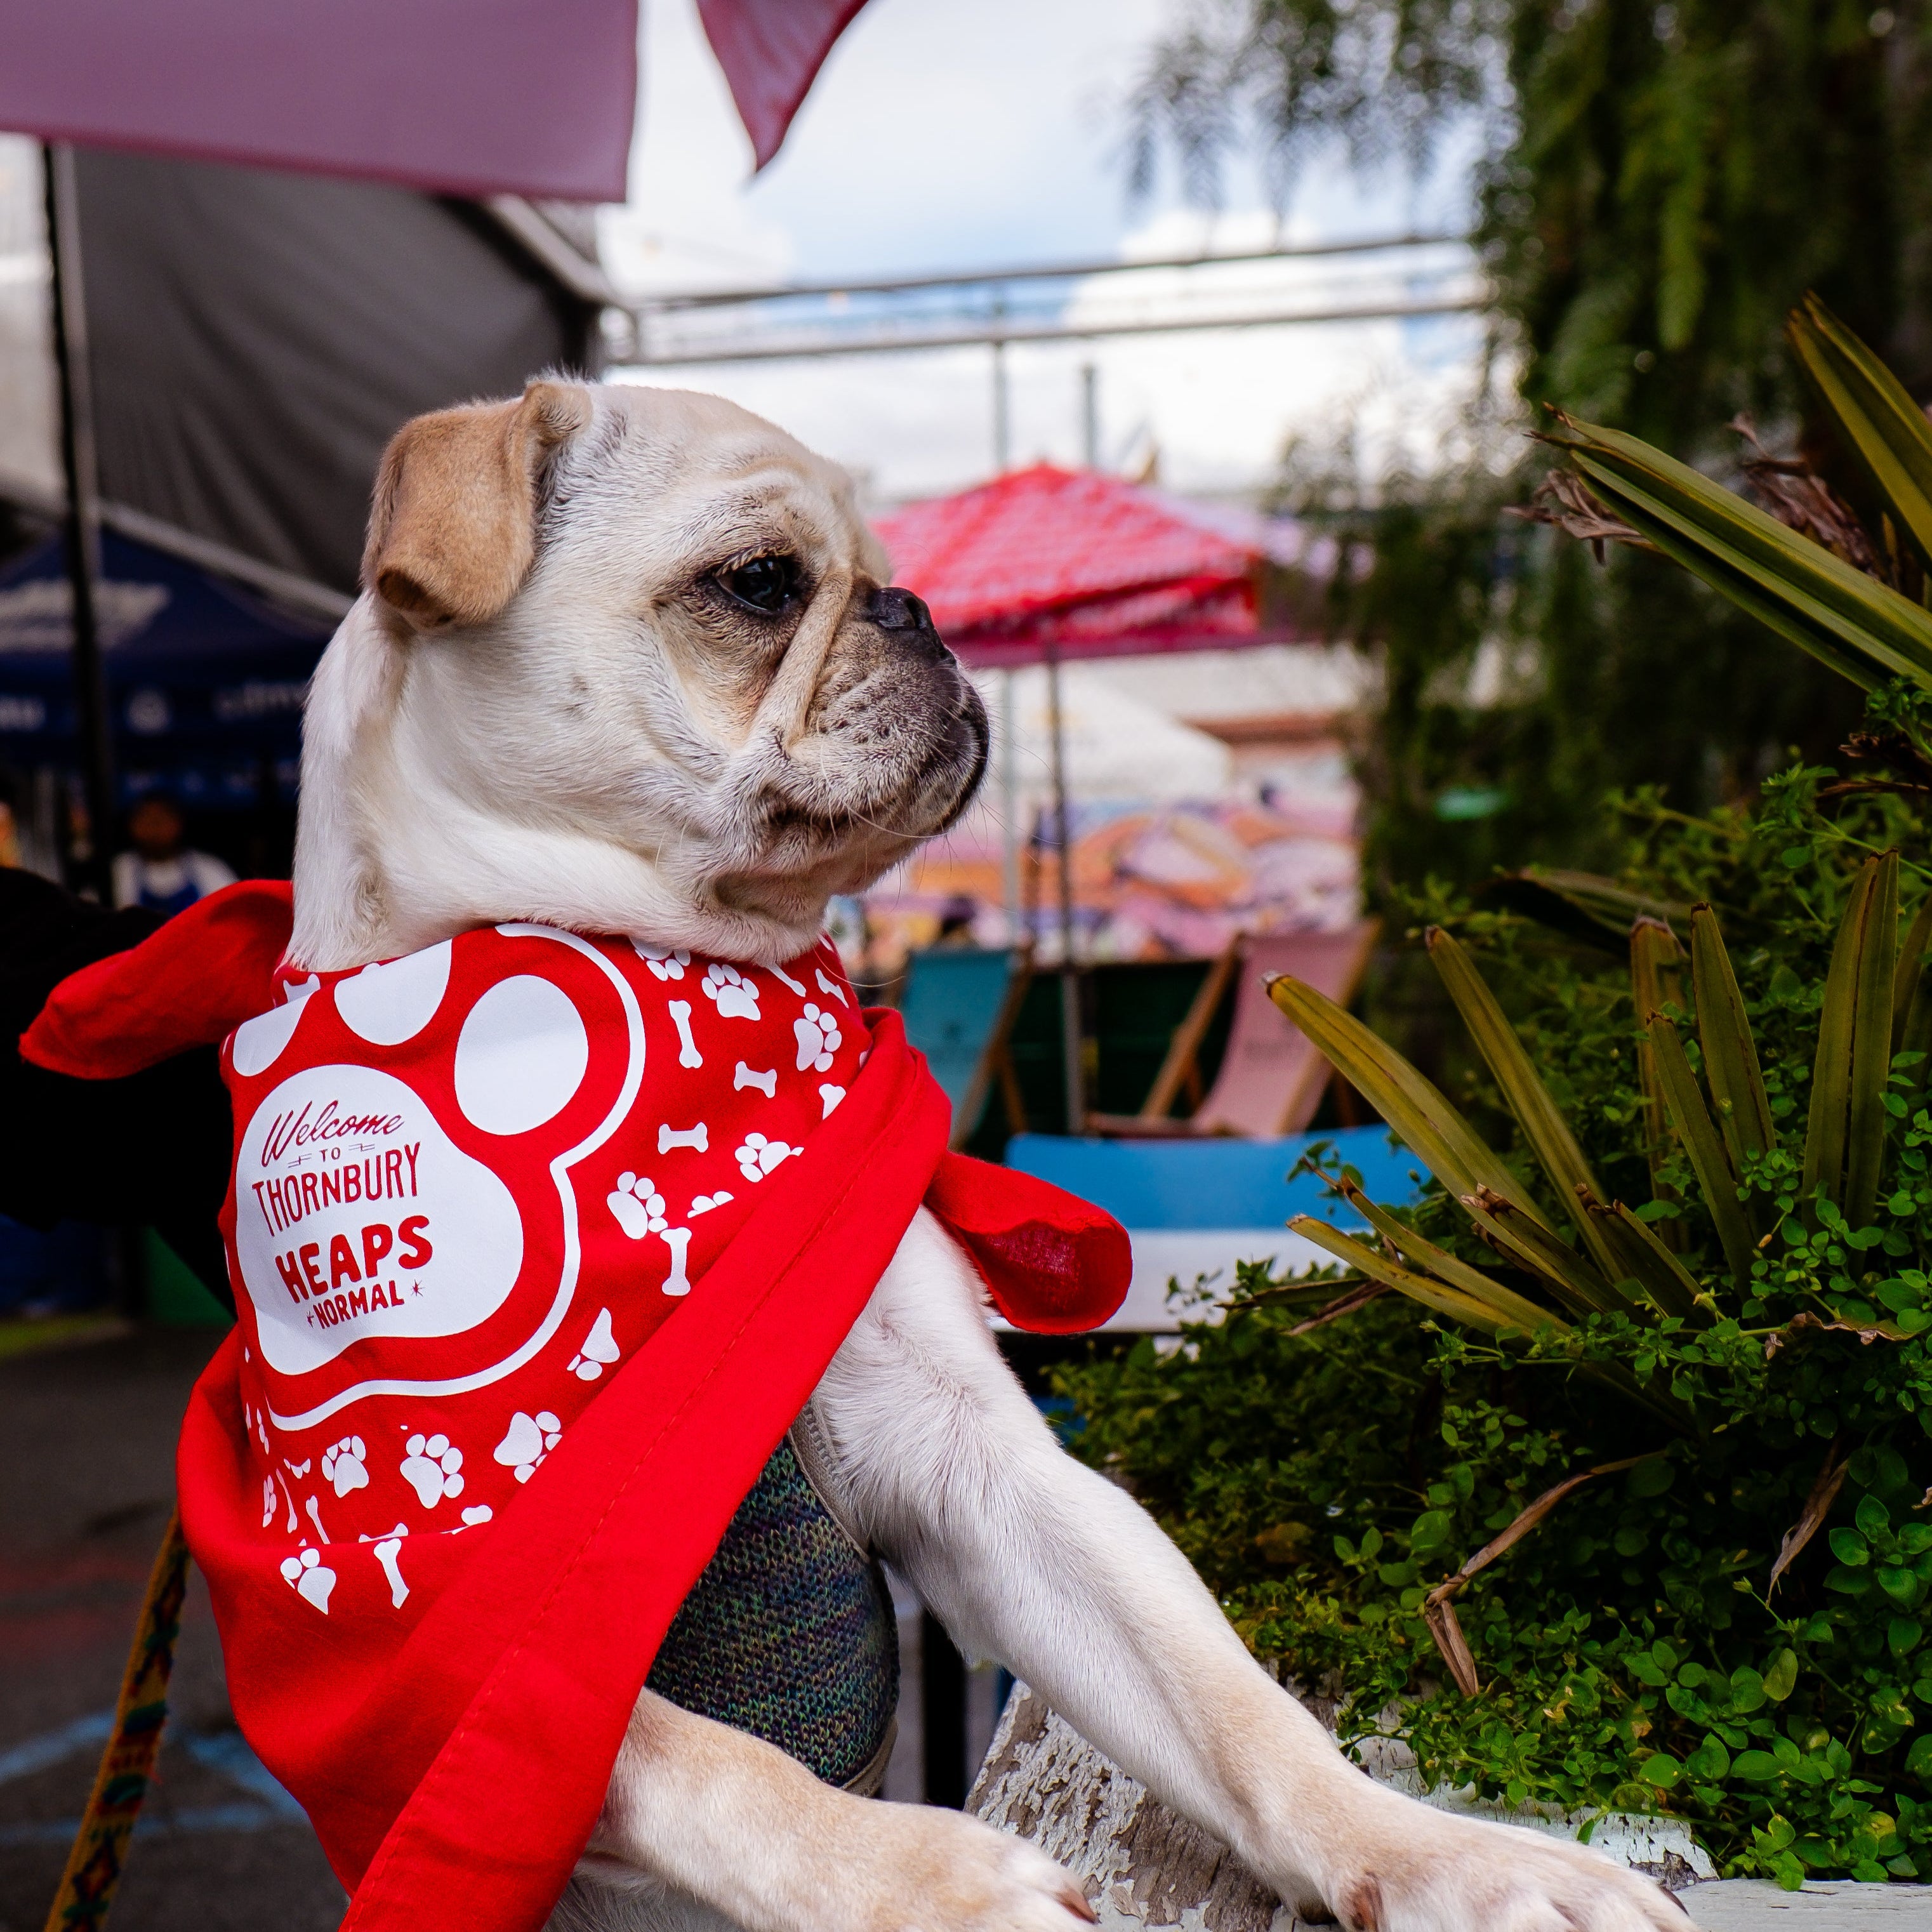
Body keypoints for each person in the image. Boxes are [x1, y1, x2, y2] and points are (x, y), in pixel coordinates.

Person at [110, 793, 235, 915]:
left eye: (160, 820)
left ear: (178, 824)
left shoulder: (209, 868)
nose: (154, 828)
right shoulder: (119, 869)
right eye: (145, 819)